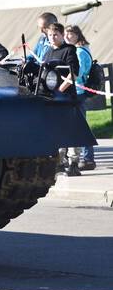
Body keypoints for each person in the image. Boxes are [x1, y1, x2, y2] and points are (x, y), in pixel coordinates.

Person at [41, 22, 83, 176]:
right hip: (52, 100)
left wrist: (60, 90)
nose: (52, 38)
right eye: (50, 35)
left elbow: (73, 74)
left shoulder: (69, 50)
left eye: (55, 35)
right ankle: (59, 162)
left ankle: (73, 162)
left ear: (61, 35)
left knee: (71, 131)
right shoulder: (48, 53)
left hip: (67, 98)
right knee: (57, 132)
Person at [66, 24, 98, 171]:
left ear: (77, 35)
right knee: (81, 124)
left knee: (80, 125)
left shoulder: (79, 51)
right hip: (78, 91)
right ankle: (87, 158)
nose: (67, 37)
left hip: (78, 91)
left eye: (70, 34)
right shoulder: (83, 49)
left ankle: (88, 158)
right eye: (66, 34)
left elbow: (78, 73)